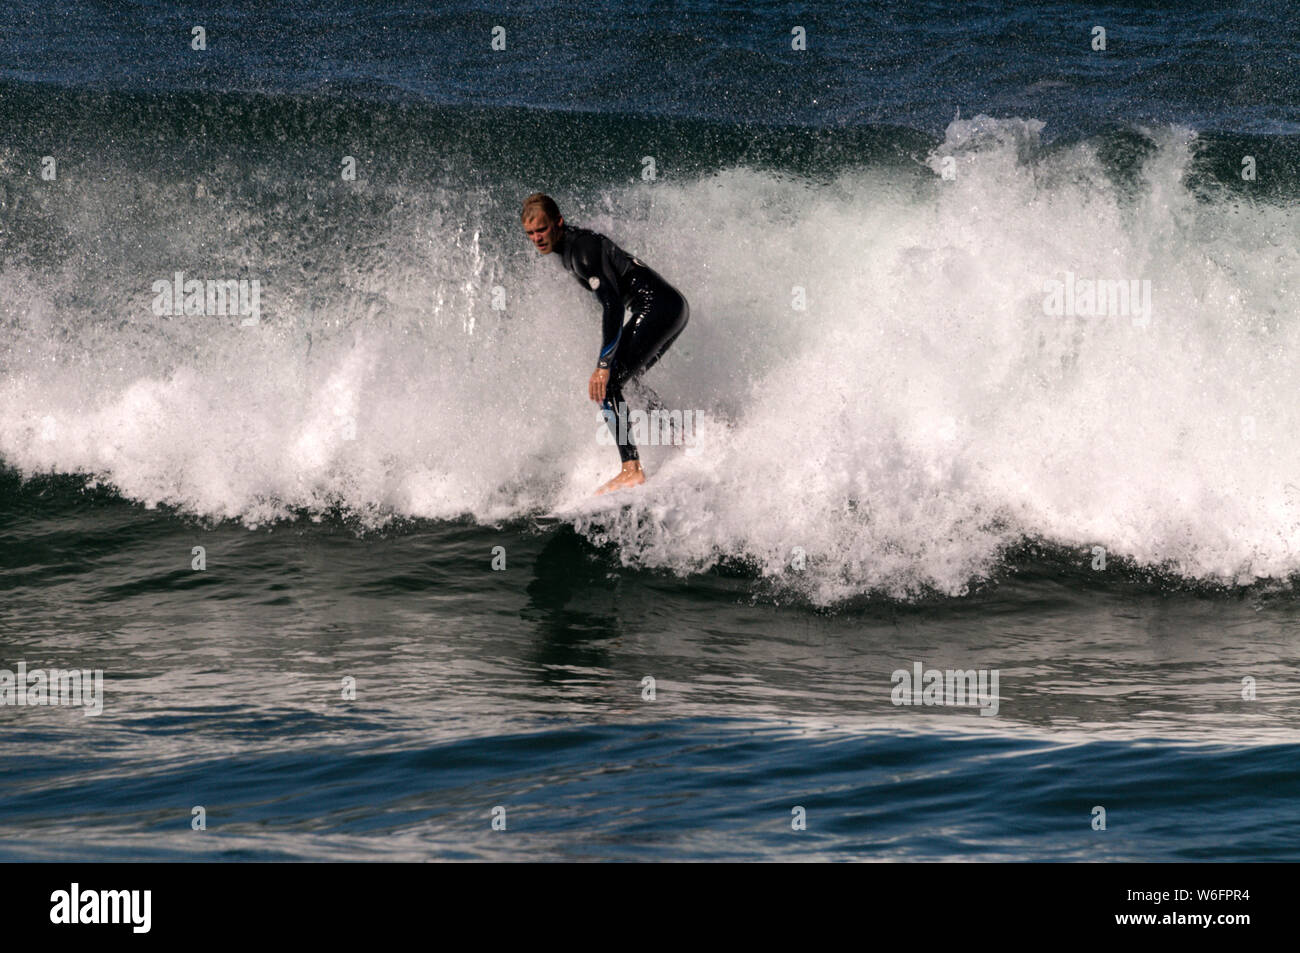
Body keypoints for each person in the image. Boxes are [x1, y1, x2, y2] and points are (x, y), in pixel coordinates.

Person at [521, 193, 689, 494]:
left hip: (658, 308)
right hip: (670, 306)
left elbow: (612, 305)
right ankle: (679, 436)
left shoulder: (581, 251)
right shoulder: (570, 247)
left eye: (542, 230)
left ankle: (631, 469)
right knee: (628, 381)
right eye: (531, 233)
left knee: (607, 384)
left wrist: (602, 365)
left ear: (558, 222)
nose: (537, 239)